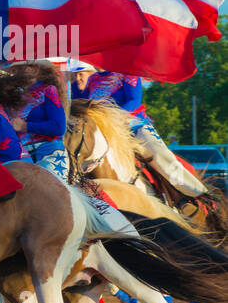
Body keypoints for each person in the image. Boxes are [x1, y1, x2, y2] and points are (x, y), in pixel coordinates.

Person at [74, 61, 207, 201]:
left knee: (159, 155)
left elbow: (133, 101)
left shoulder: (128, 73)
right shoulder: (93, 79)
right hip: (104, 131)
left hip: (133, 125)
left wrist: (110, 120)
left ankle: (198, 195)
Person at [3, 60, 68, 180]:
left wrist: (25, 127)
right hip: (22, 155)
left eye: (28, 66)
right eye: (16, 69)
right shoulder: (13, 97)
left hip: (49, 153)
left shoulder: (49, 90)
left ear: (37, 68)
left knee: (52, 193)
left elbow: (59, 127)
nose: (24, 70)